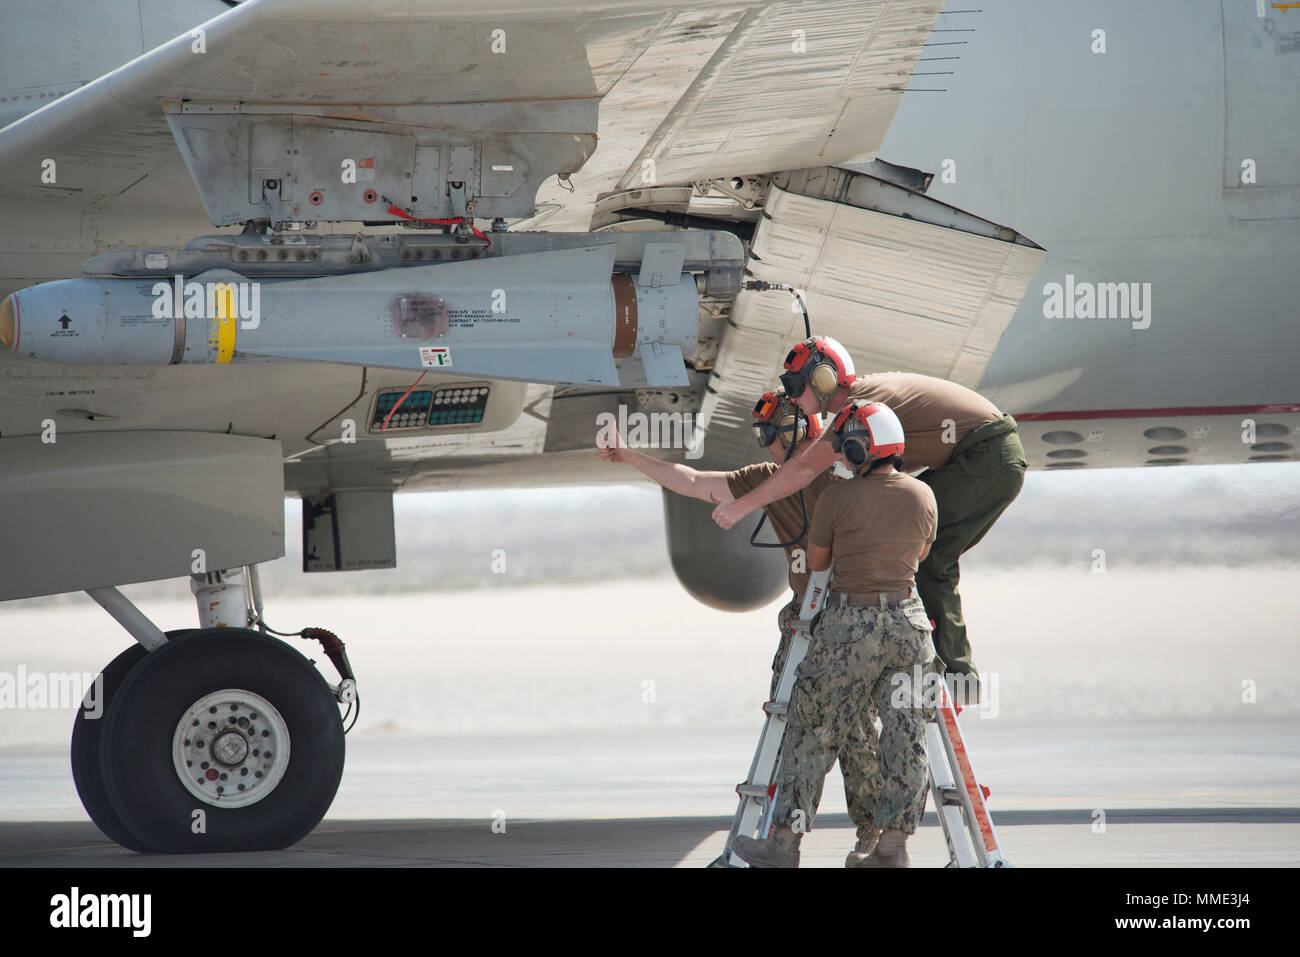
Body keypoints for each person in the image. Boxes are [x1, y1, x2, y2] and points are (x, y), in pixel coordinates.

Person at [596, 389, 885, 865]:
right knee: (792, 725)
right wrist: (629, 456)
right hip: (804, 623)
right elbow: (690, 481)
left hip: (848, 621)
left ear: (793, 432)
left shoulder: (844, 478)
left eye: (769, 435)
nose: (765, 445)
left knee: (853, 733)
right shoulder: (766, 480)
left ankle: (867, 841)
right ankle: (783, 839)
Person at [711, 336, 1026, 700]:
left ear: (824, 380)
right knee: (908, 536)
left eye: (796, 387)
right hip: (979, 455)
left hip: (986, 456)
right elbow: (893, 468)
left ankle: (957, 674)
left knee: (930, 559)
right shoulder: (865, 406)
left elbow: (804, 469)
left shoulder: (863, 403)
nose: (794, 399)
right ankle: (931, 662)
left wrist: (742, 506)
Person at [732, 400, 937, 868]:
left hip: (850, 628)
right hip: (909, 625)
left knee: (813, 733)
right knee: (906, 737)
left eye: (844, 446)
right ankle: (891, 849)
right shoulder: (923, 496)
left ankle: (784, 846)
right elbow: (922, 554)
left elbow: (819, 563)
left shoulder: (836, 498)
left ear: (858, 446)